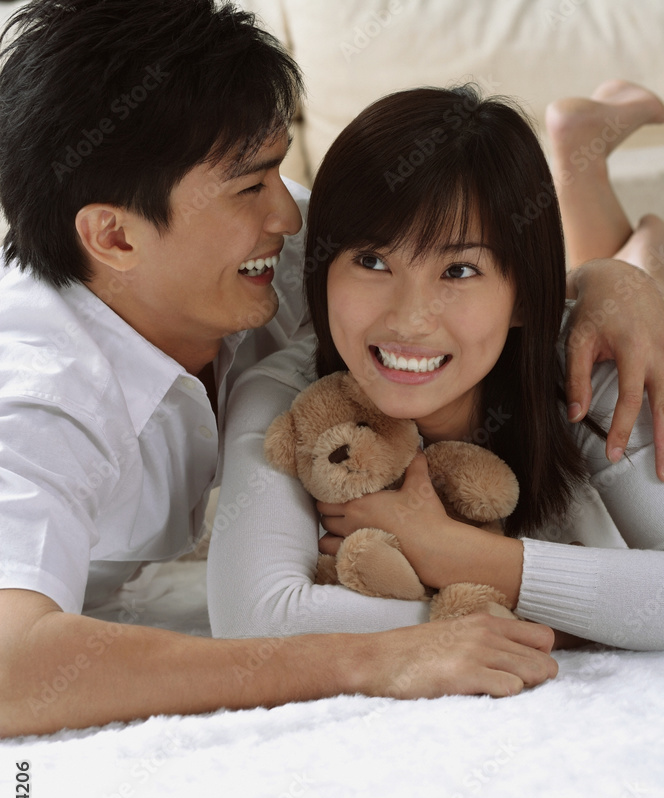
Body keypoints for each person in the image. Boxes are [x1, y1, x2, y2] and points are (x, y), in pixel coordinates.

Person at [0, 0, 658, 741]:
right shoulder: (32, 395)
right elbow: (10, 670)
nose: (288, 216)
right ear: (115, 236)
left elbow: (467, 263)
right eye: (251, 186)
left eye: (280, 171)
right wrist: (372, 658)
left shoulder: (263, 251)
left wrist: (611, 282)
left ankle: (596, 178)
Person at [209, 82, 664, 653]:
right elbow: (254, 622)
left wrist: (457, 554)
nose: (410, 321)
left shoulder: (591, 370)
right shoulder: (284, 394)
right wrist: (587, 620)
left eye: (459, 271)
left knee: (640, 273)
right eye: (372, 260)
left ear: (524, 296)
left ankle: (595, 185)